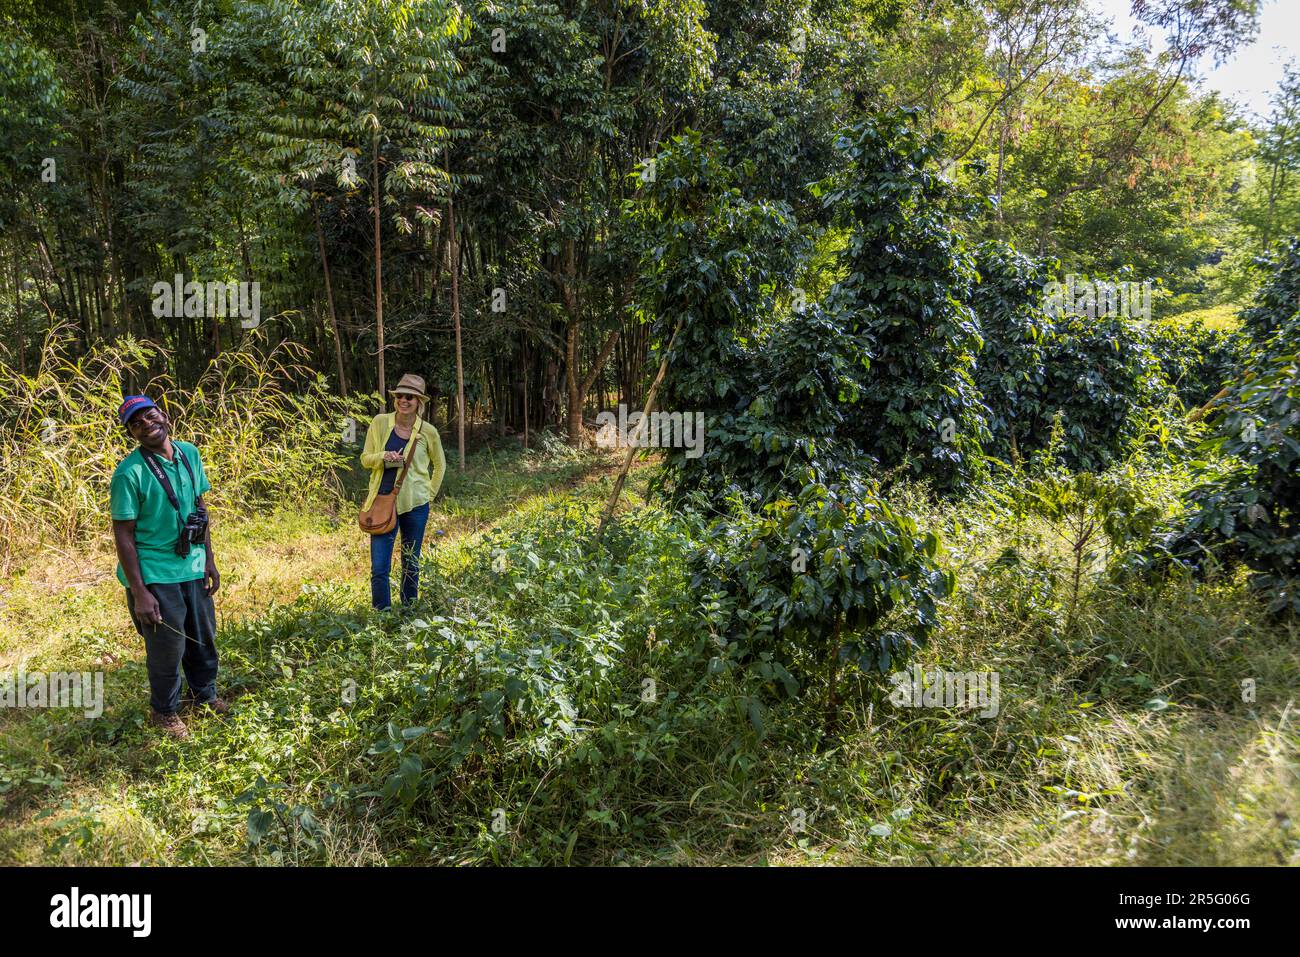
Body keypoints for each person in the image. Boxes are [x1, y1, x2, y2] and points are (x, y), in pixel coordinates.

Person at [110, 395, 227, 740]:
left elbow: (199, 507)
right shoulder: (129, 473)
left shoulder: (190, 453)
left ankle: (204, 696)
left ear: (163, 414)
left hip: (191, 564)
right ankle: (164, 712)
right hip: (154, 572)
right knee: (167, 647)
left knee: (203, 636)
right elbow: (123, 535)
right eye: (136, 423)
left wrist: (209, 558)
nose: (147, 424)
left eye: (149, 415)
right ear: (132, 433)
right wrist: (140, 592)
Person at [361, 373, 446, 610]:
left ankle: (409, 611)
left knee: (411, 563)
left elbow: (440, 465)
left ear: (419, 402)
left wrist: (428, 495)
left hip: (416, 506)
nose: (403, 400)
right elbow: (365, 458)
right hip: (382, 503)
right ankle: (382, 614)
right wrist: (382, 456)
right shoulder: (380, 422)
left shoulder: (427, 431)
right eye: (399, 396)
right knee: (379, 567)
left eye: (410, 397)